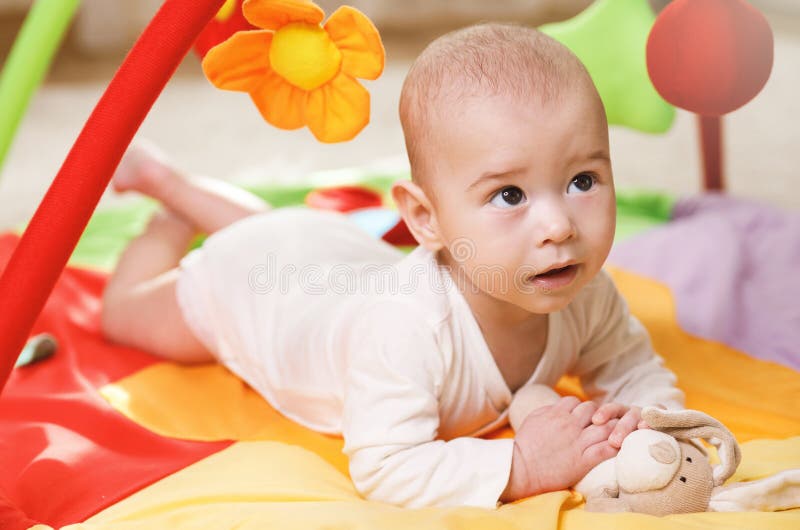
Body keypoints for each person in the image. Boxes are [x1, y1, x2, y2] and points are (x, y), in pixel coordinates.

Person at [101, 23, 684, 509]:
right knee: (124, 315)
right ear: (426, 219)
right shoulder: (405, 331)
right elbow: (387, 467)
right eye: (510, 195)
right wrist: (524, 463)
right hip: (255, 302)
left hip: (330, 252)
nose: (559, 226)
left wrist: (656, 429)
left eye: (582, 180)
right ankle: (167, 206)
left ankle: (181, 190)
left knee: (280, 234)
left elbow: (631, 367)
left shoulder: (585, 288)